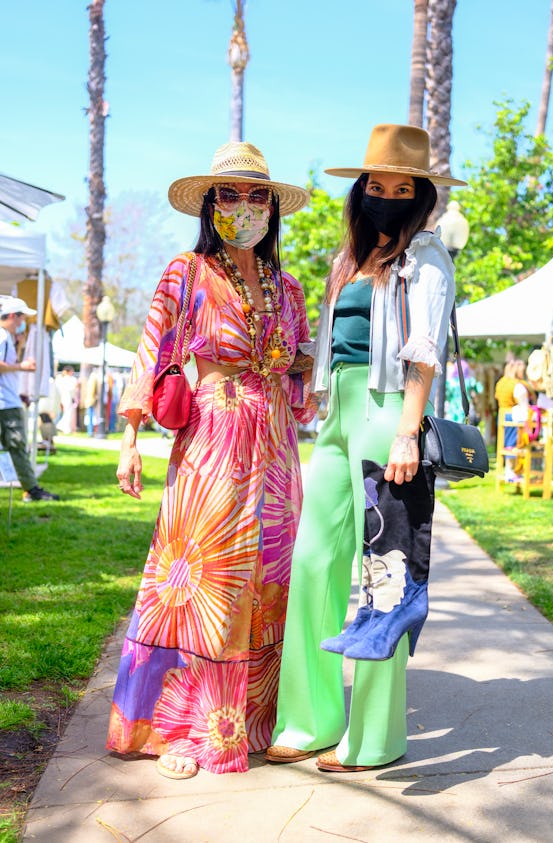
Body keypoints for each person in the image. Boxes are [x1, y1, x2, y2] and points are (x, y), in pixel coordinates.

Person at [105, 140, 314, 778]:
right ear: (211, 204)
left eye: (256, 196)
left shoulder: (289, 287)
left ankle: (258, 719)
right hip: (213, 439)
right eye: (230, 194)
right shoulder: (187, 273)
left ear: (271, 208)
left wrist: (304, 372)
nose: (243, 206)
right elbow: (151, 349)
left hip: (277, 447)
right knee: (206, 576)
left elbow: (303, 366)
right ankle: (188, 728)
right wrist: (130, 438)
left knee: (271, 578)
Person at [265, 123, 466, 772]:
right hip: (338, 415)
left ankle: (376, 736)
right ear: (361, 191)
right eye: (376, 186)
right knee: (312, 560)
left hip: (389, 411)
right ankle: (310, 718)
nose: (387, 197)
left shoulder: (426, 256)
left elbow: (423, 353)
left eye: (401, 189)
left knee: (385, 572)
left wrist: (408, 430)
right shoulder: (349, 259)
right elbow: (339, 342)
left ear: (420, 195)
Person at [0, 296, 59, 502]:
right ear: (12, 316)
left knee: (16, 447)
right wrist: (22, 367)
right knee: (17, 446)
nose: (23, 322)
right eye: (22, 317)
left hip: (7, 401)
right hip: (6, 404)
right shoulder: (2, 336)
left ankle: (31, 488)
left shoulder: (7, 337)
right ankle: (32, 490)